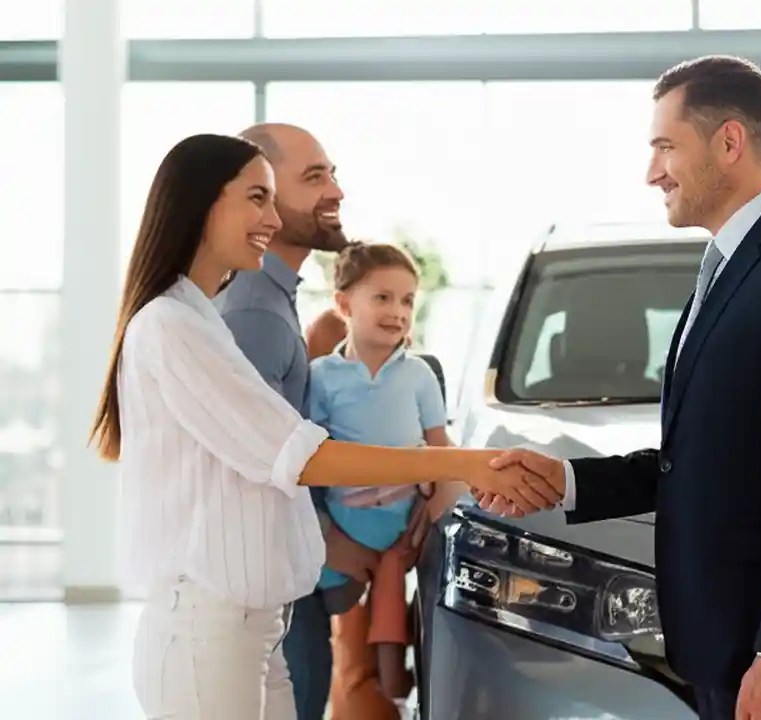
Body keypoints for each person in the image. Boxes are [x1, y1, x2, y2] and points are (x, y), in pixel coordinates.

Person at [479, 56, 761, 719]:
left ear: (729, 142)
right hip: (723, 644)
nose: (652, 173)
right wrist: (567, 480)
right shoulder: (728, 263)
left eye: (665, 147)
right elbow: (711, 457)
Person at [90, 133, 559, 720]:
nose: (270, 216)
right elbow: (300, 455)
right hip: (206, 632)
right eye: (256, 198)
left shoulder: (200, 318)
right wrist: (459, 463)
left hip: (249, 627)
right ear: (204, 203)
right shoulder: (172, 327)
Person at [213, 121, 362, 718]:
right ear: (262, 199)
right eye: (315, 176)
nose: (336, 191)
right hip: (261, 589)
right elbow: (259, 465)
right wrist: (333, 540)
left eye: (332, 173)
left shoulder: (272, 300)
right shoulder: (254, 312)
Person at [308, 241, 461, 718]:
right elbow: (310, 460)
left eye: (408, 300)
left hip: (405, 534)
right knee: (350, 650)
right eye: (383, 298)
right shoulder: (321, 377)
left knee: (404, 638)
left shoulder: (418, 376)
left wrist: (432, 512)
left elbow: (442, 452)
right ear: (343, 304)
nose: (398, 311)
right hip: (345, 532)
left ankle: (395, 686)